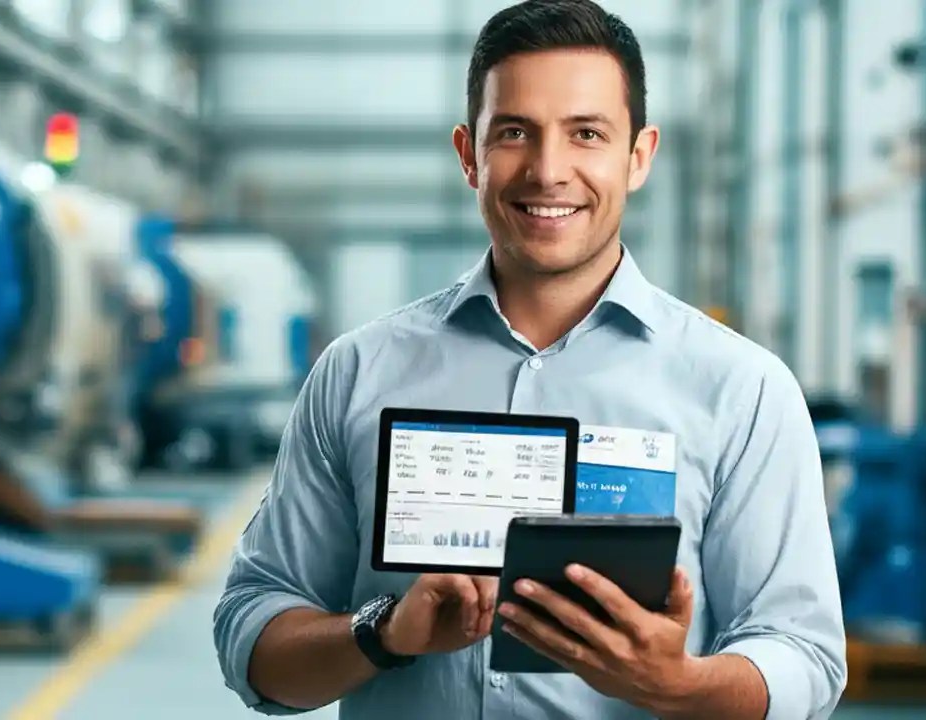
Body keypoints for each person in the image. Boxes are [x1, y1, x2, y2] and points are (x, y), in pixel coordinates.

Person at [212, 0, 848, 718]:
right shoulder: (358, 374)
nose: (549, 171)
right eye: (515, 132)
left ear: (638, 156)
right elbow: (253, 640)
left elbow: (804, 658)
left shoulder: (742, 390)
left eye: (587, 134)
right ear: (467, 154)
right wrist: (385, 631)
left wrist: (677, 684)